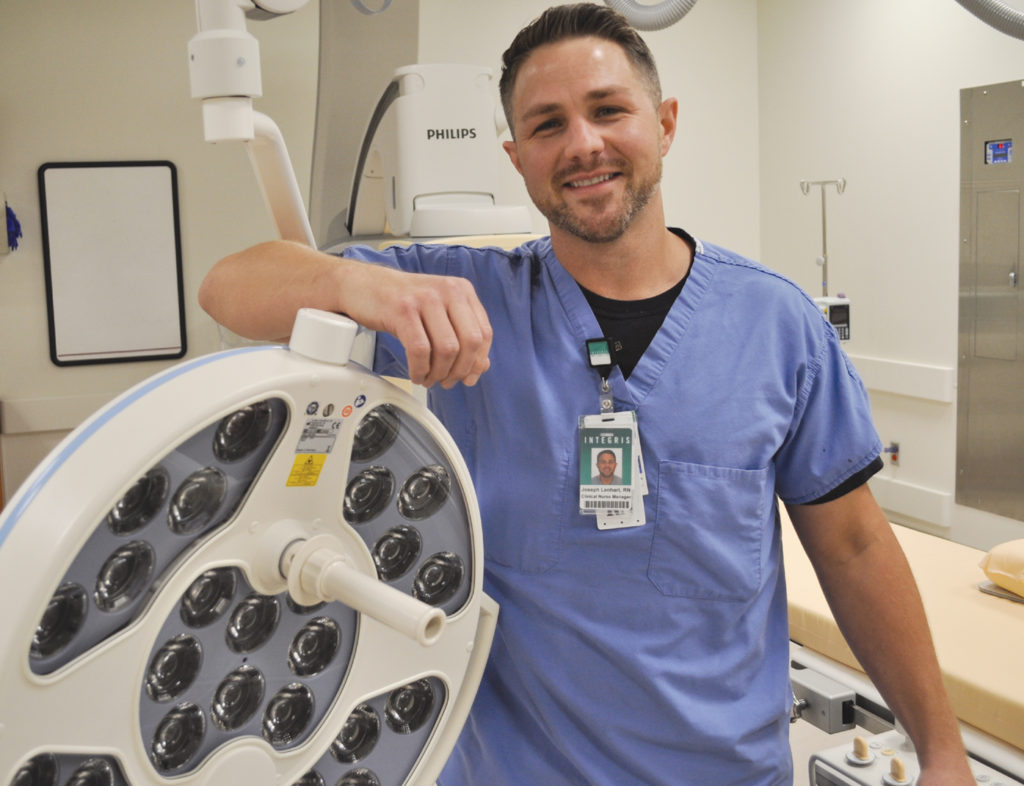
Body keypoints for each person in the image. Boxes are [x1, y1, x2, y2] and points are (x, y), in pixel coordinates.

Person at [199, 4, 974, 783]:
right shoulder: (464, 302)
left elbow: (855, 546)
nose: (583, 144)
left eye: (608, 111)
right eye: (547, 125)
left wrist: (940, 750)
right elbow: (228, 286)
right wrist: (354, 282)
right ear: (515, 156)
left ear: (665, 124)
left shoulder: (775, 326)